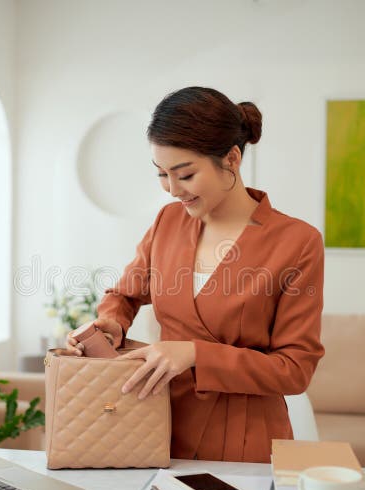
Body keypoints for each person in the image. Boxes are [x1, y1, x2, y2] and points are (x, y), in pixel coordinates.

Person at [64, 86, 325, 464]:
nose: (171, 190)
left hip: (244, 441)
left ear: (231, 159)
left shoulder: (297, 242)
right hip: (156, 427)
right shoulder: (168, 222)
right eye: (161, 175)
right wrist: (109, 324)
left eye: (184, 174)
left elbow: (295, 370)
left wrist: (197, 354)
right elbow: (126, 295)